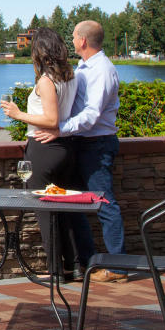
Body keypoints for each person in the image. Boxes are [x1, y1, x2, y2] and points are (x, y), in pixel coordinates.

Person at [37, 20, 126, 283]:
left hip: (96, 145)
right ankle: (87, 262)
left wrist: (58, 129)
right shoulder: (84, 67)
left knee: (104, 203)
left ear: (83, 41)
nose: (72, 40)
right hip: (81, 143)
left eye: (74, 36)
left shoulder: (102, 70)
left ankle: (119, 267)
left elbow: (91, 115)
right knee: (76, 202)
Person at [0, 27, 83, 278]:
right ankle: (73, 265)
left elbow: (51, 119)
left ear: (40, 52)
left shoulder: (46, 81)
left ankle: (55, 271)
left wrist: (17, 114)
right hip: (65, 149)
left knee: (45, 212)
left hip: (43, 150)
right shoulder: (71, 77)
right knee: (64, 210)